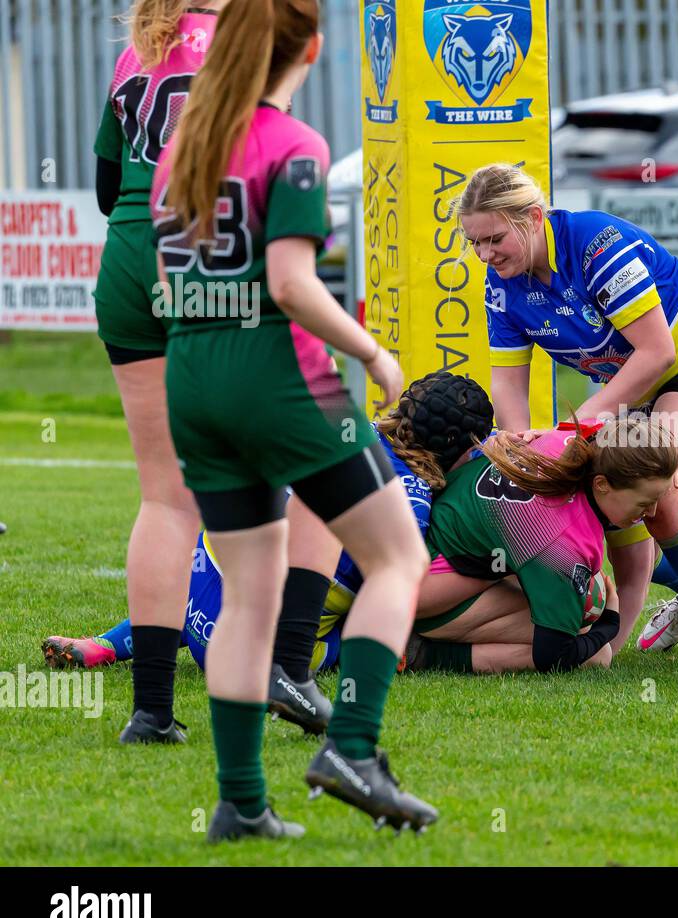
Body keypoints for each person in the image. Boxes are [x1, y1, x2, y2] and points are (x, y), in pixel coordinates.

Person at [153, 0, 434, 842]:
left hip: (192, 376)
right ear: (312, 47)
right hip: (277, 381)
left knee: (251, 590)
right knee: (398, 557)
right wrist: (376, 355)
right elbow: (290, 284)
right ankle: (352, 747)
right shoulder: (296, 146)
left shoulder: (183, 145)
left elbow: (164, 284)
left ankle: (240, 802)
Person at [43, 371, 500, 722]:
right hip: (253, 656)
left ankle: (105, 644)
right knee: (373, 613)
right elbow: (396, 597)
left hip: (196, 611)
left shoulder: (337, 422)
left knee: (226, 567)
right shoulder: (411, 502)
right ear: (462, 452)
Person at [455, 164, 678, 668]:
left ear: (533, 218)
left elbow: (656, 352)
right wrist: (522, 455)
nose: (486, 255)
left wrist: (570, 430)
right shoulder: (502, 282)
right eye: (475, 243)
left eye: (494, 239)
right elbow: (509, 383)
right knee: (591, 494)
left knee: (648, 483)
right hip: (635, 383)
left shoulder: (599, 244)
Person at [92, 0, 223, 745]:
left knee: (166, 499)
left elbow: (110, 188)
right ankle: (288, 672)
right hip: (206, 259)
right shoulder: (248, 40)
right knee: (269, 476)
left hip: (128, 261)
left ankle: (150, 713)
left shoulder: (134, 53)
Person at [408, 417, 678, 675]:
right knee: (596, 652)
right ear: (602, 485)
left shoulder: (576, 443)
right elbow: (553, 656)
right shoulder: (563, 544)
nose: (652, 512)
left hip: (421, 551)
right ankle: (424, 653)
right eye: (644, 503)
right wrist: (610, 625)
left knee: (582, 599)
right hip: (426, 587)